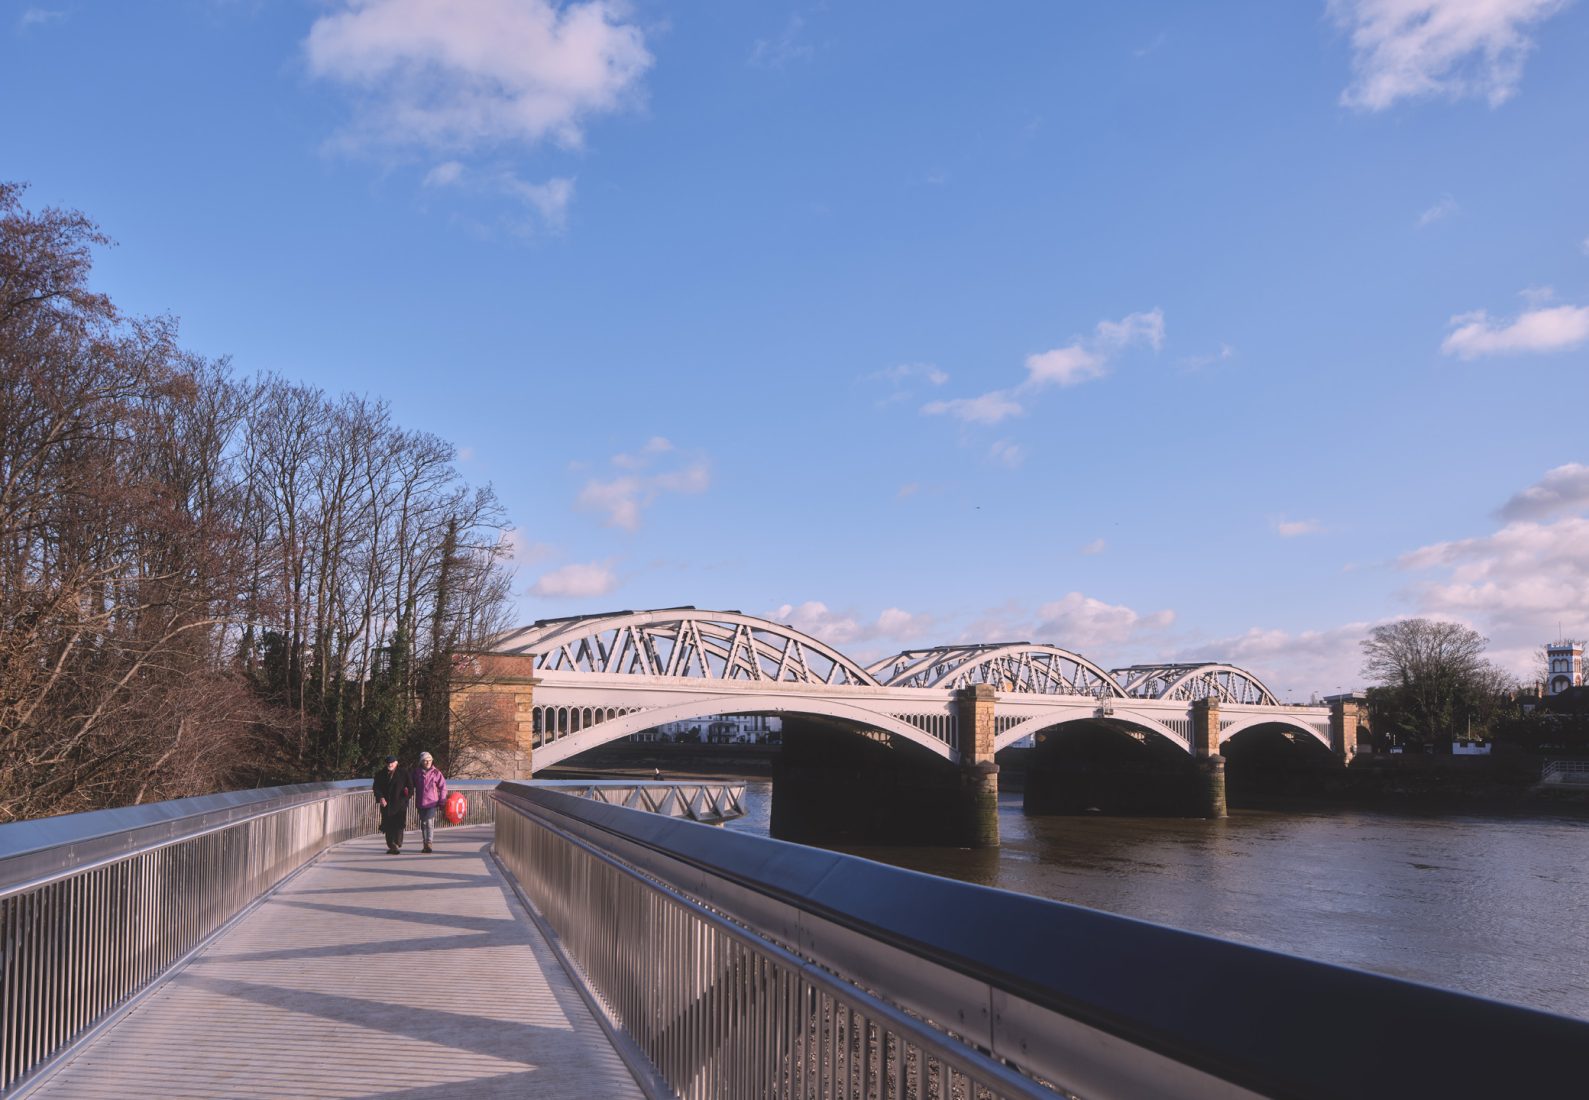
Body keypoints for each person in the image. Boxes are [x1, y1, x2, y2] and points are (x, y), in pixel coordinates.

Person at [410, 751, 447, 854]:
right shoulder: (416, 773)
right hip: (421, 801)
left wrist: (442, 801)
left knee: (429, 822)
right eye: (425, 761)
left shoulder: (436, 773)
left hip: (432, 802)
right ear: (421, 762)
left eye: (429, 760)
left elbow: (443, 787)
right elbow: (410, 785)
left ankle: (429, 842)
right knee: (423, 823)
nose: (427, 762)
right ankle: (425, 843)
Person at [372, 755, 410, 854]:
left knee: (399, 824)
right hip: (386, 804)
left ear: (396, 763)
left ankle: (397, 842)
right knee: (388, 825)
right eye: (388, 763)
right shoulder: (380, 774)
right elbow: (376, 788)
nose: (390, 765)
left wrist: (406, 797)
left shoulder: (403, 773)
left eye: (392, 763)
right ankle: (392, 845)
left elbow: (410, 787)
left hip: (400, 803)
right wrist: (380, 797)